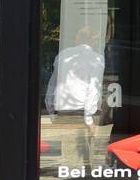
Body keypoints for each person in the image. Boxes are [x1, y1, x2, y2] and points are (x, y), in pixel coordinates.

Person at [45, 26, 106, 168]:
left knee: (70, 155)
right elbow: (93, 88)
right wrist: (89, 119)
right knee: (89, 154)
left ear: (78, 39)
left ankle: (71, 178)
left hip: (62, 108)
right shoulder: (97, 59)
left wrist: (51, 110)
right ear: (94, 42)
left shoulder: (63, 55)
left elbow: (53, 84)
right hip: (83, 109)